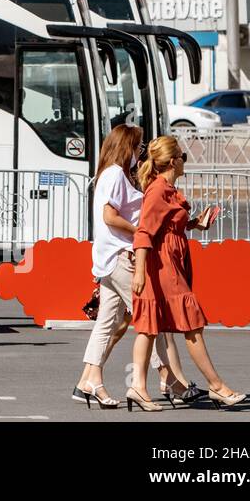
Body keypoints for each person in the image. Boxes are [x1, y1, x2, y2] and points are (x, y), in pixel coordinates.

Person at [126, 136, 246, 412]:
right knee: (190, 325)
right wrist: (140, 272)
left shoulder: (167, 189)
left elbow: (168, 226)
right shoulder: (158, 190)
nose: (184, 161)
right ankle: (217, 386)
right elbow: (144, 232)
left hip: (171, 261)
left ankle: (138, 387)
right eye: (182, 156)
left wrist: (194, 224)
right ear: (172, 161)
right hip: (162, 265)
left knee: (149, 327)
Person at [74, 124, 187, 408]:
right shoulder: (114, 174)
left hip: (108, 259)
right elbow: (110, 216)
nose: (140, 153)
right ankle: (168, 379)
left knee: (106, 324)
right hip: (121, 257)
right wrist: (138, 230)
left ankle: (90, 380)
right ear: (127, 146)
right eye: (138, 147)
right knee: (150, 319)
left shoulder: (110, 174)